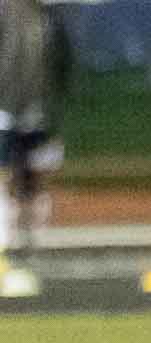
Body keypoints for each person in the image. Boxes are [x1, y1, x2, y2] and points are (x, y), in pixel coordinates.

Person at [0, 0, 71, 256]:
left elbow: (60, 65)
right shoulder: (6, 14)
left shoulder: (47, 19)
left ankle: (32, 239)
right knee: (5, 172)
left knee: (34, 175)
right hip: (5, 109)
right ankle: (5, 238)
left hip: (36, 111)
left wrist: (52, 108)